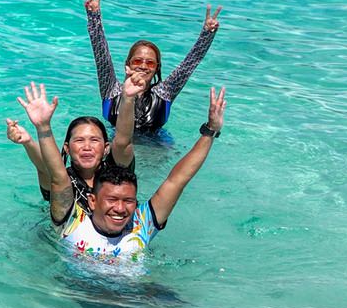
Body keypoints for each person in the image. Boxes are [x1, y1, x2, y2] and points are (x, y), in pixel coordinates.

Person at [18, 81, 227, 265]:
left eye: (128, 200)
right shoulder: (73, 222)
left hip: (137, 300)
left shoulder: (142, 222)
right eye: (111, 199)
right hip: (85, 301)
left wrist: (210, 132)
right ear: (92, 201)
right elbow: (57, 176)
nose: (120, 208)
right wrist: (43, 128)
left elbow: (178, 179)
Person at [85, 0, 221, 135]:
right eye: (137, 61)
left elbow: (190, 63)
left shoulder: (164, 92)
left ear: (157, 68)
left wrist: (207, 33)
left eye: (150, 63)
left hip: (157, 149)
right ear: (127, 65)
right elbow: (101, 56)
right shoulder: (112, 90)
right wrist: (94, 17)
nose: (143, 66)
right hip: (116, 146)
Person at [5, 70, 141, 208]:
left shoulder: (118, 175)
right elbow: (45, 168)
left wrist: (128, 99)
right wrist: (34, 136)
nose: (87, 147)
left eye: (94, 140)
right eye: (79, 140)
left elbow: (123, 141)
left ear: (106, 148)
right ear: (67, 148)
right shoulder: (61, 182)